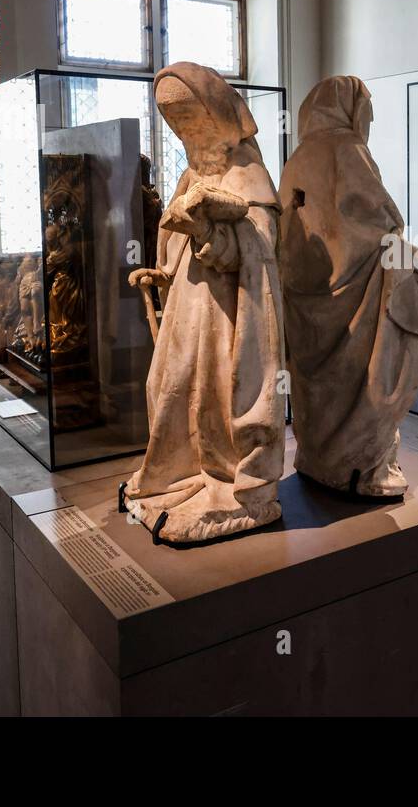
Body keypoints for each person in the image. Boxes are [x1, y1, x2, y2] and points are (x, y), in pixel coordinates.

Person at [123, 63, 285, 543]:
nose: (185, 134)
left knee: (218, 394)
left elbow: (259, 250)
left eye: (191, 122)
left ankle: (232, 485)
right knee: (167, 386)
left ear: (218, 117)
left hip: (230, 315)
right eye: (177, 126)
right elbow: (174, 233)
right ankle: (178, 473)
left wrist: (210, 232)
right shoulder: (193, 171)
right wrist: (166, 271)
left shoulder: (248, 175)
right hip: (186, 308)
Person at [278, 75, 418, 498]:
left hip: (305, 292)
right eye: (365, 109)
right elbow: (379, 218)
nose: (366, 118)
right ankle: (354, 463)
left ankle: (317, 456)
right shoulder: (348, 149)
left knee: (317, 381)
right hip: (356, 294)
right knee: (359, 376)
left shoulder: (296, 158)